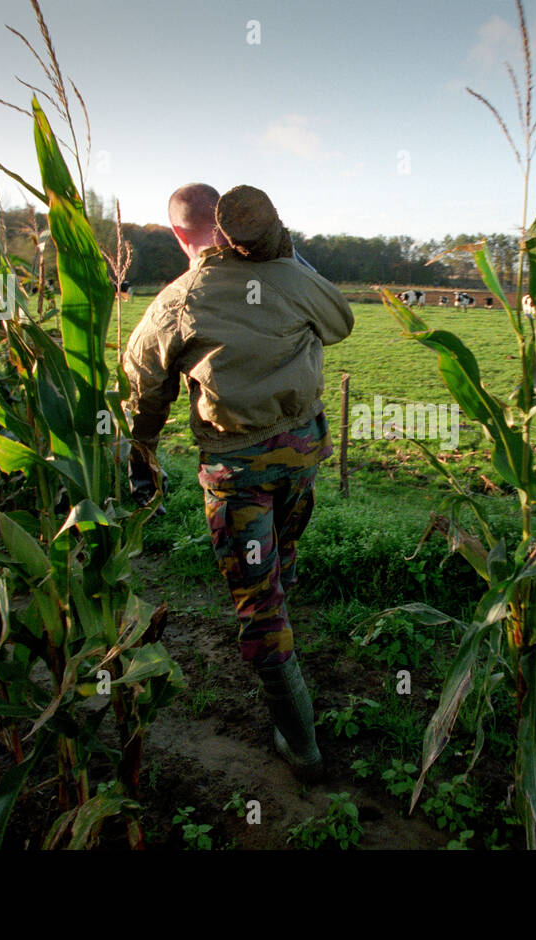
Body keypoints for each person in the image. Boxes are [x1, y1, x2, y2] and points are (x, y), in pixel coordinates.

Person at [122, 183, 354, 781]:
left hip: (238, 469)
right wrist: (286, 252)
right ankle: (284, 592)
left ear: (177, 235)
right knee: (283, 547)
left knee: (258, 599)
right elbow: (341, 320)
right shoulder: (288, 279)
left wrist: (141, 450)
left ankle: (299, 742)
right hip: (303, 453)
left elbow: (145, 388)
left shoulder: (177, 301)